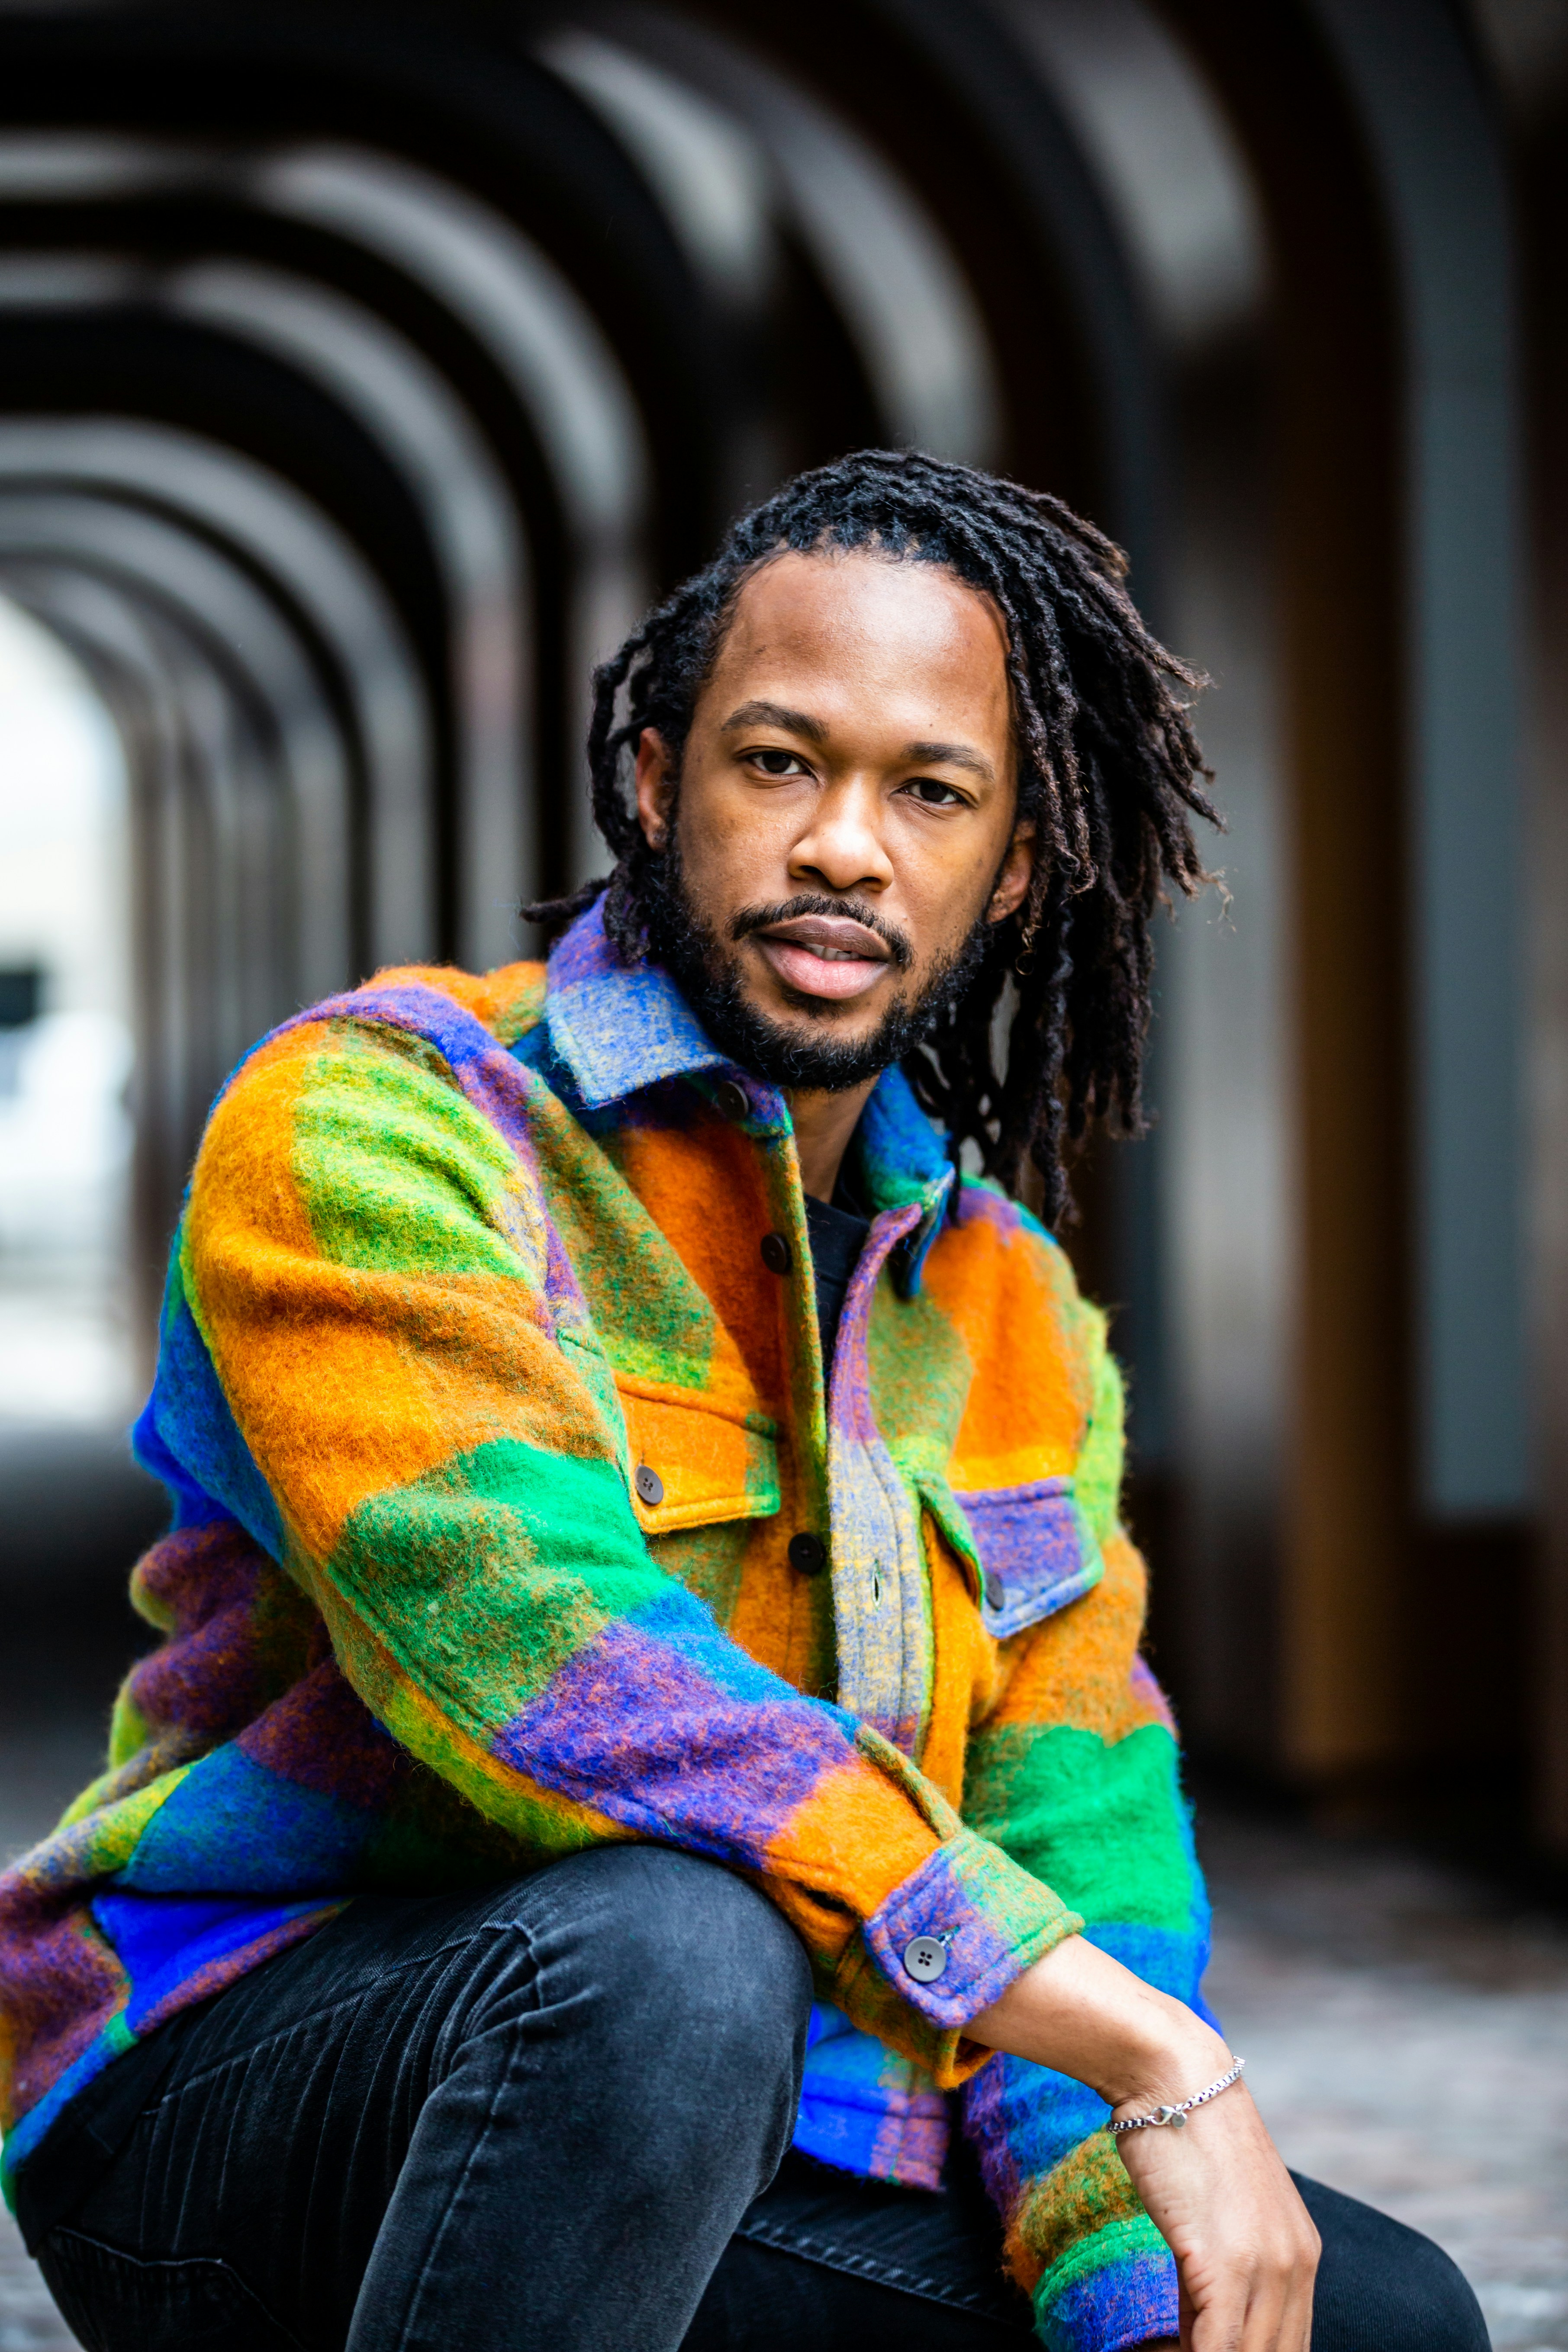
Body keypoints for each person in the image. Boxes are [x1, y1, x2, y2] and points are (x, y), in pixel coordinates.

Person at [0, 451, 1485, 2352]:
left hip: (755, 2113)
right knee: (680, 1947)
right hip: (241, 2082)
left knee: (1367, 2317)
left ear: (1013, 866)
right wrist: (1122, 2032)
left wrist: (1124, 2262)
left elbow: (1082, 1827)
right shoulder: (382, 1121)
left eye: (931, 791)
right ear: (655, 782)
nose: (846, 846)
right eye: (779, 762)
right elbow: (548, 1659)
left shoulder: (1011, 1308)